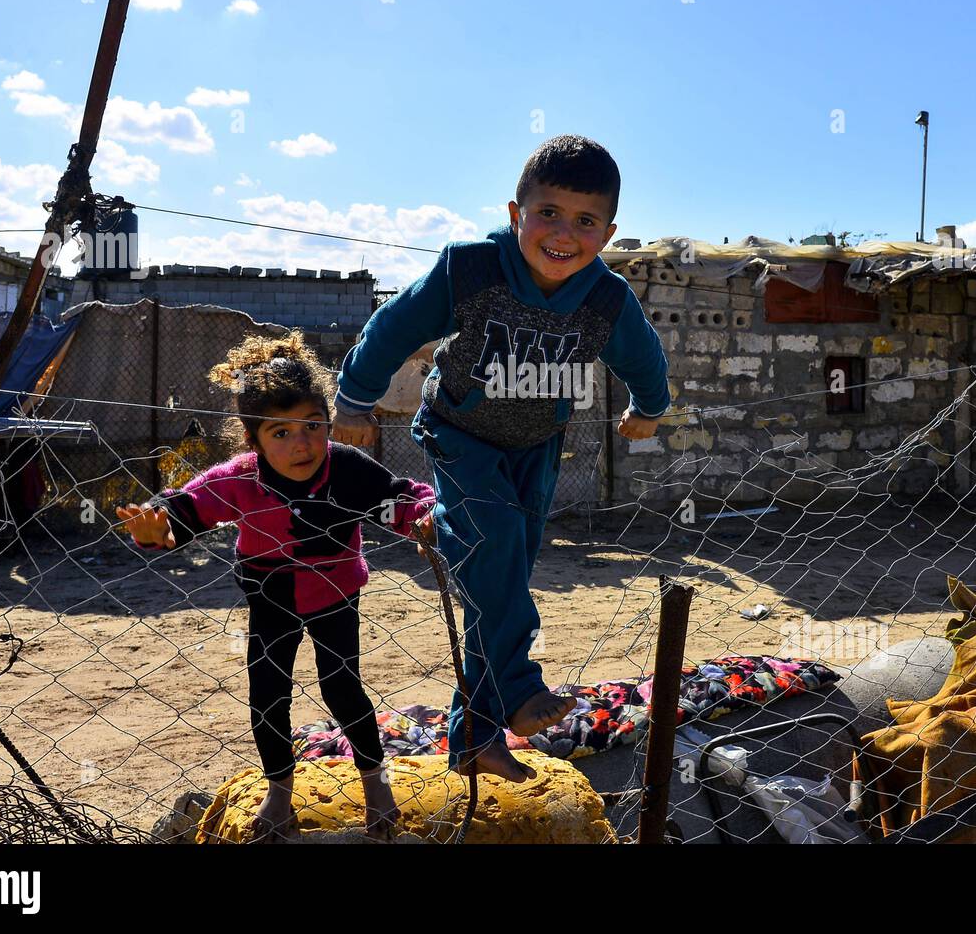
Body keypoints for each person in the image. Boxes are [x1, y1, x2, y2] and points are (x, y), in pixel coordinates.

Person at [331, 134, 671, 782]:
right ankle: (516, 690)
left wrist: (648, 409)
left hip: (537, 447)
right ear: (517, 213)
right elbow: (397, 324)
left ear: (608, 232)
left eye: (585, 220)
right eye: (548, 213)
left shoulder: (606, 299)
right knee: (494, 544)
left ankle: (473, 736)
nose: (563, 232)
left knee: (502, 579)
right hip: (460, 433)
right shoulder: (472, 268)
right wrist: (353, 397)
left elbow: (644, 358)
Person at [116, 331, 435, 840]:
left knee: (342, 685)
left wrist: (424, 518)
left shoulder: (345, 468)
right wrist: (159, 527)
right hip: (269, 597)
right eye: (280, 433)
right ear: (253, 440)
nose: (301, 443)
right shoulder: (242, 478)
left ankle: (376, 781)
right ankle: (280, 792)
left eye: (312, 425)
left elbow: (398, 497)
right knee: (267, 694)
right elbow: (185, 506)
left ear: (329, 423)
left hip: (335, 593)